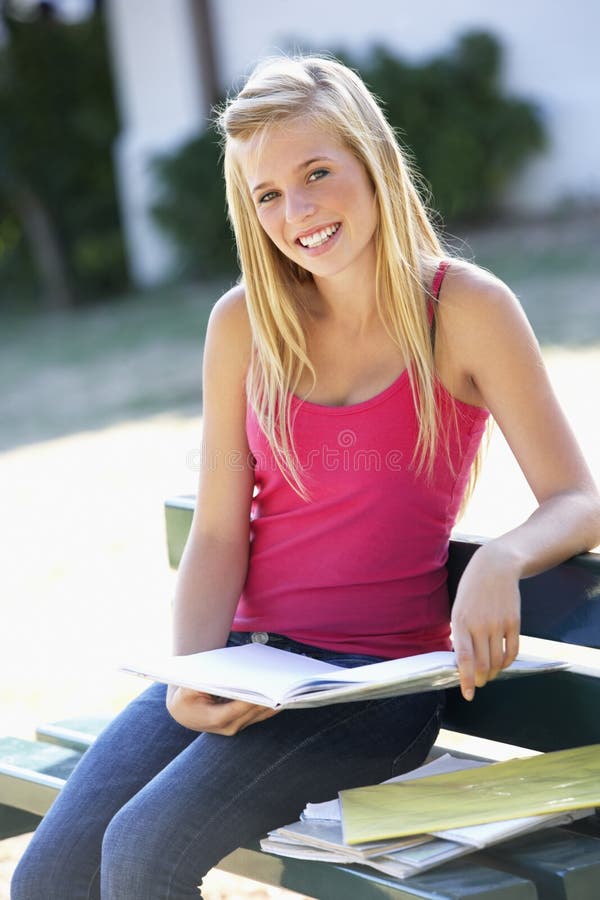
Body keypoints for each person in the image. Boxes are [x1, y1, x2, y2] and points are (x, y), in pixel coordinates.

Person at [12, 55, 600, 900]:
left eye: (317, 173)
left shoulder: (466, 310)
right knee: (47, 880)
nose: (300, 211)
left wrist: (503, 559)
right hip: (249, 670)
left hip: (372, 691)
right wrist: (193, 675)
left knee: (143, 853)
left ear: (372, 160)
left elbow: (578, 500)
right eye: (269, 194)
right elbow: (218, 532)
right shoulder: (243, 323)